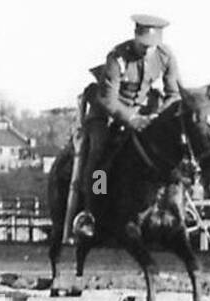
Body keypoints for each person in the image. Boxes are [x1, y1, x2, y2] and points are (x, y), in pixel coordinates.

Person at [73, 14, 184, 236]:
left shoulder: (166, 56)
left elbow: (174, 94)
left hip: (145, 111)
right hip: (106, 114)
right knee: (99, 152)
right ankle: (91, 212)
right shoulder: (117, 58)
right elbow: (107, 99)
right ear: (135, 36)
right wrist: (131, 119)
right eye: (142, 45)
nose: (145, 50)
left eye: (151, 46)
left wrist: (158, 115)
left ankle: (170, 211)